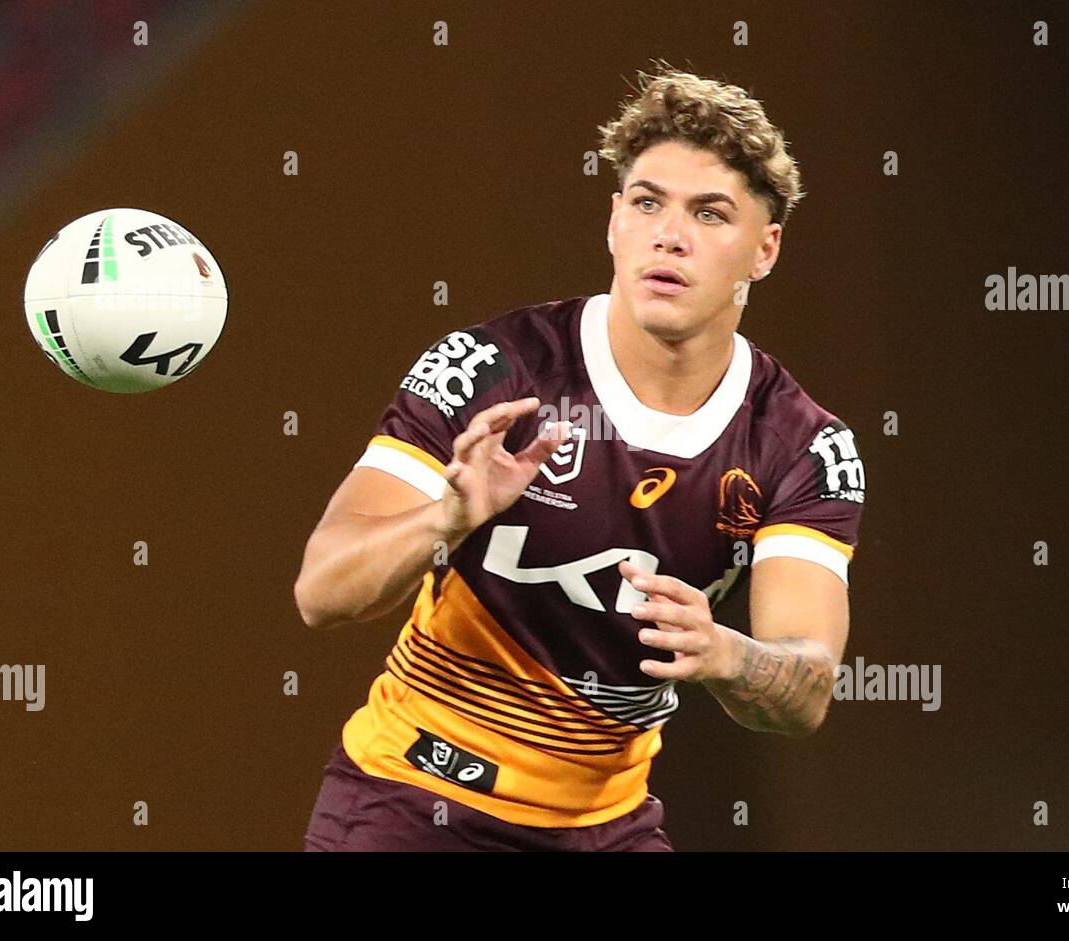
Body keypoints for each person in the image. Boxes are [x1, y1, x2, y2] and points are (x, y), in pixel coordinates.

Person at [294, 64, 866, 851]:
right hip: (411, 800)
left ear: (765, 250)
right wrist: (449, 514)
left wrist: (723, 652)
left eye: (710, 213)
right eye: (646, 202)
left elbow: (805, 690)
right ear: (612, 221)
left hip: (603, 828)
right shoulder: (493, 371)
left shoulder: (803, 445)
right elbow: (321, 590)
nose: (669, 233)